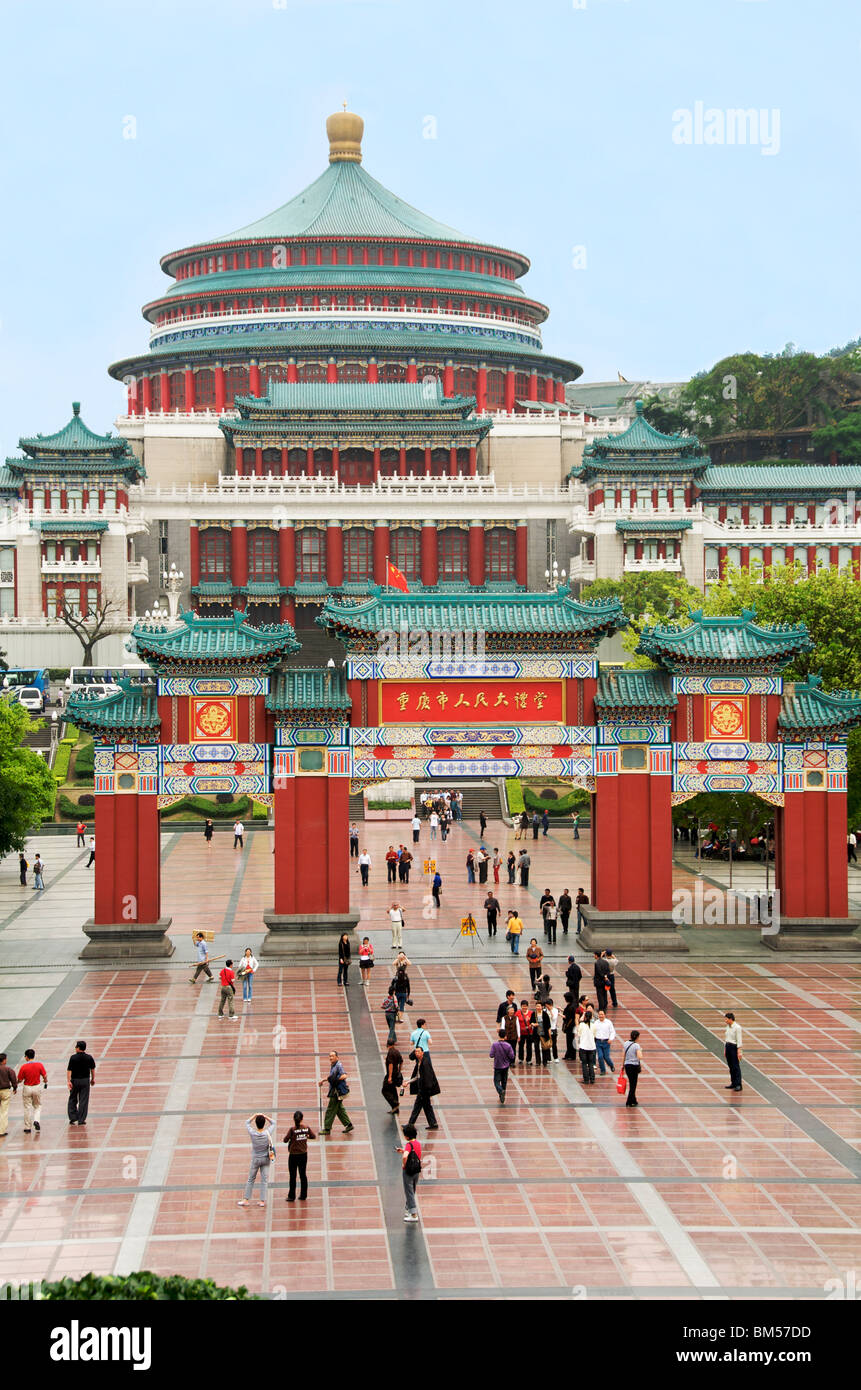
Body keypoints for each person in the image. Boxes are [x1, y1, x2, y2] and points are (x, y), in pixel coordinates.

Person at [237, 1113, 274, 1207]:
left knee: (251, 1179)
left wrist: (255, 1115)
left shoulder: (253, 1133)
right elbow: (273, 1123)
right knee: (264, 1180)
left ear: (256, 1124)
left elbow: (247, 1123)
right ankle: (262, 1201)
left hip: (256, 1159)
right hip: (266, 1158)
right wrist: (265, 1116)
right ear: (264, 1123)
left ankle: (246, 1199)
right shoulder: (267, 1133)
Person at [283, 1110, 316, 1201]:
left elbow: (285, 1140)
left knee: (293, 1176)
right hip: (303, 1154)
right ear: (302, 1119)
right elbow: (313, 1136)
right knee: (303, 1175)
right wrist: (306, 1136)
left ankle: (291, 1196)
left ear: (294, 1119)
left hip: (293, 1155)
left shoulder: (292, 1129)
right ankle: (303, 1195)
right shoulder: (306, 1128)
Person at [319, 1050, 353, 1134]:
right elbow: (331, 1077)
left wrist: (337, 1079)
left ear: (337, 1057)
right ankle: (348, 1125)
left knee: (331, 1110)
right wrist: (324, 1080)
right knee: (339, 1109)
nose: (330, 1057)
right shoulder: (333, 1065)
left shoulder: (339, 1065)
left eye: (332, 1056)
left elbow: (344, 1075)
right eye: (330, 1056)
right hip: (334, 1091)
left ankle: (327, 1129)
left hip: (337, 1092)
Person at [407, 1046, 440, 1130]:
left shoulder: (425, 1063)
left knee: (417, 1107)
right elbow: (417, 1076)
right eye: (416, 1052)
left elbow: (428, 1077)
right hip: (423, 1089)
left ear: (423, 1053)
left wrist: (426, 1090)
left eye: (418, 1052)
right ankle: (433, 1123)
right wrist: (407, 1082)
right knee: (426, 1106)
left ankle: (410, 1124)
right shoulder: (419, 1062)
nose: (416, 1053)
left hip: (424, 1090)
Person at [67, 1040, 95, 1125]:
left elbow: (69, 1070)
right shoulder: (89, 1057)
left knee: (72, 1098)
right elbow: (92, 1069)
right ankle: (81, 1119)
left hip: (75, 1080)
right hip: (85, 1081)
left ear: (78, 1048)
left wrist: (68, 1081)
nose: (75, 1048)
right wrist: (93, 1079)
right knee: (83, 1100)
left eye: (76, 1047)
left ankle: (73, 1117)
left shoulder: (73, 1058)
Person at [398, 1123, 422, 1222]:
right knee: (412, 1190)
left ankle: (413, 1214)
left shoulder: (409, 1144)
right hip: (416, 1170)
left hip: (408, 1171)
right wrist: (403, 1151)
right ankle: (408, 1209)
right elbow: (413, 1153)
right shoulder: (417, 1143)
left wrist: (404, 1164)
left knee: (409, 1192)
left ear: (407, 1136)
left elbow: (405, 1157)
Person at [490, 1028, 515, 1104]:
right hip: (506, 1066)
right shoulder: (508, 1046)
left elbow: (491, 1055)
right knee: (504, 1081)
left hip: (497, 1066)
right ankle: (502, 1094)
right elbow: (512, 1056)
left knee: (496, 1081)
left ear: (499, 1035)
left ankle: (501, 1091)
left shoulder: (494, 1045)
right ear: (505, 1036)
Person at [724, 1011, 743, 1092]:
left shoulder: (737, 1027)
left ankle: (738, 1084)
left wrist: (739, 1051)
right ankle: (733, 1083)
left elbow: (739, 1040)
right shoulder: (728, 1027)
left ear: (731, 1019)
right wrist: (725, 1049)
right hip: (728, 1046)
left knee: (736, 1067)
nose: (725, 1021)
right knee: (731, 1066)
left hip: (734, 1047)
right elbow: (726, 1038)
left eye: (726, 1019)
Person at [382, 1040, 403, 1114]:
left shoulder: (390, 1052)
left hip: (391, 1074)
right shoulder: (397, 1051)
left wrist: (390, 1076)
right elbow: (401, 1061)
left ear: (387, 1045)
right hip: (396, 1073)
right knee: (393, 1090)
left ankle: (395, 1103)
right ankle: (396, 1109)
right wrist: (399, 1071)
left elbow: (390, 1064)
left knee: (384, 1090)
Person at [0, 1053, 18, 1136]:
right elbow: (13, 1078)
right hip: (5, 1091)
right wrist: (15, 1088)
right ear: (3, 1060)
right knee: (4, 1111)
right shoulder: (8, 1069)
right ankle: (1, 1130)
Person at [594, 1010, 617, 1075]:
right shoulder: (596, 1023)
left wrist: (611, 1039)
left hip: (606, 1042)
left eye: (602, 1014)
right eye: (599, 1014)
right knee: (600, 1056)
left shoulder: (608, 1022)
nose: (601, 1016)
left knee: (606, 1057)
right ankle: (603, 1070)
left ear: (604, 1015)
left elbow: (612, 1032)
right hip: (598, 1042)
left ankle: (611, 1065)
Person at [623, 1030, 643, 1106]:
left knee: (631, 1083)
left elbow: (624, 1055)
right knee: (633, 1085)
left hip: (627, 1065)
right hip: (634, 1066)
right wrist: (640, 1051)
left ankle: (634, 1100)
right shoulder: (637, 1045)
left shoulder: (625, 1043)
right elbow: (640, 1057)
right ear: (637, 1037)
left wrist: (622, 1065)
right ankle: (629, 1101)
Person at [578, 1010, 597, 1083]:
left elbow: (579, 1034)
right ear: (591, 1017)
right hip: (592, 1047)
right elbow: (595, 1035)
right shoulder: (594, 1025)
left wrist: (582, 1016)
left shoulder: (582, 1025)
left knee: (584, 1063)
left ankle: (586, 1079)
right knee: (591, 1063)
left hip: (583, 1047)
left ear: (585, 1017)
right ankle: (592, 1079)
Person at [562, 992, 578, 1060]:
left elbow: (567, 1017)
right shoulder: (573, 1005)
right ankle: (569, 1054)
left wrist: (562, 1015)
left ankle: (571, 1055)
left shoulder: (571, 1007)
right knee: (570, 1041)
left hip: (570, 1026)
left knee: (570, 1041)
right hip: (571, 1026)